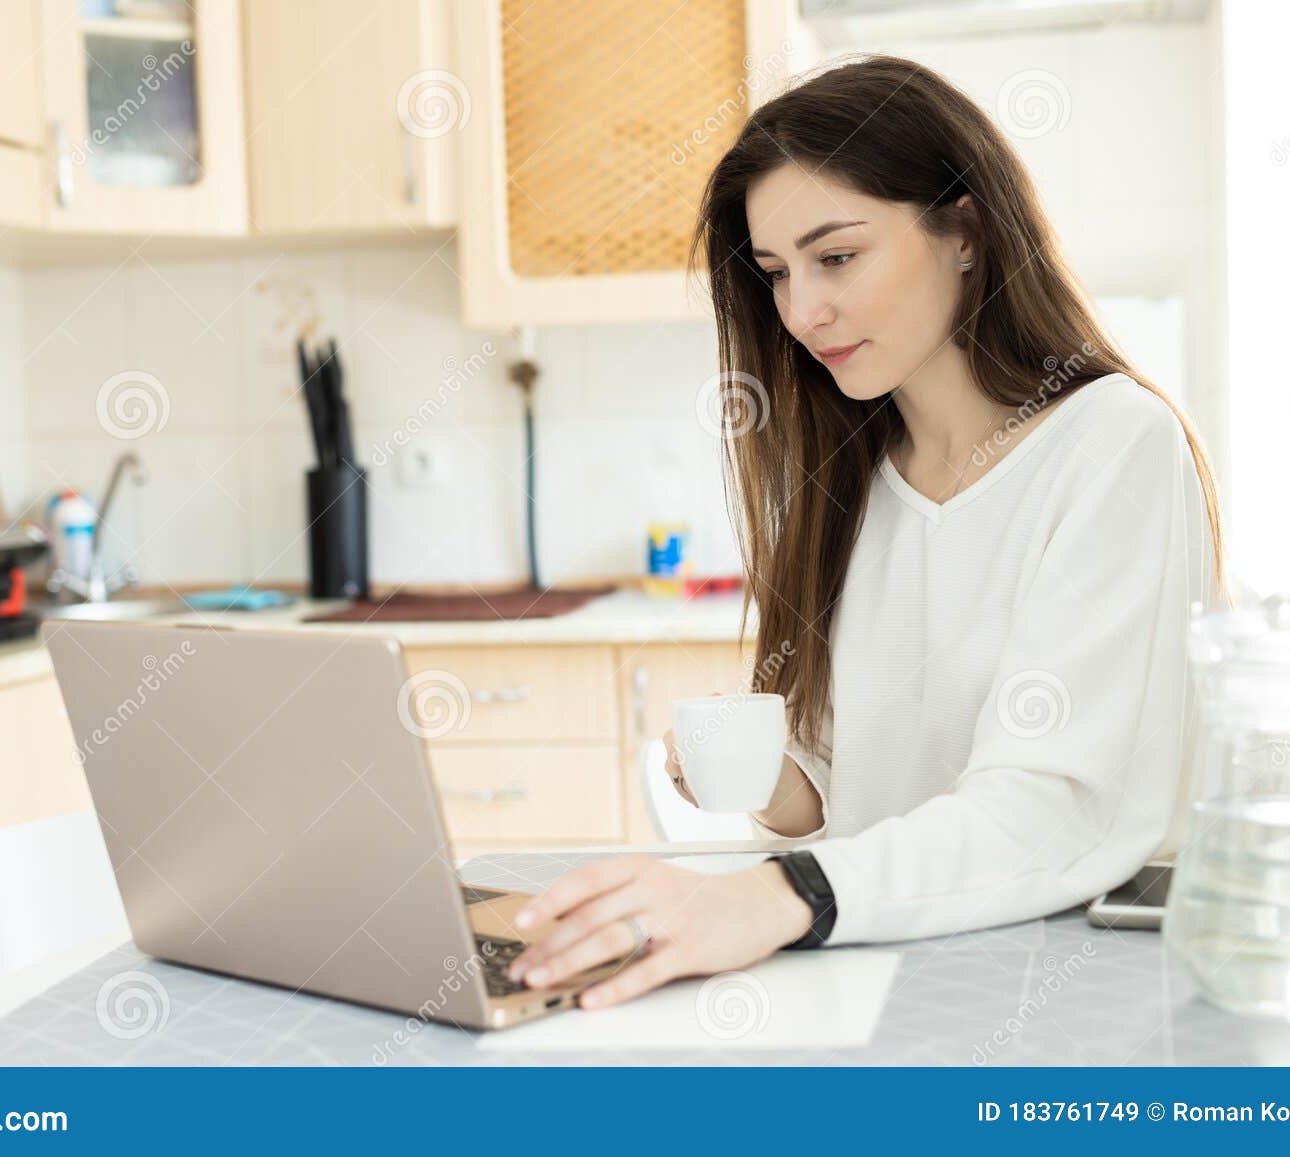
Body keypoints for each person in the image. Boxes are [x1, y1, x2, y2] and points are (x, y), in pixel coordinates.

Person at [506, 53, 1228, 1009]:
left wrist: (773, 897)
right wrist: (769, 769)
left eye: (836, 256)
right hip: (887, 973)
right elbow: (848, 788)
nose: (803, 312)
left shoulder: (1111, 443)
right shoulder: (856, 472)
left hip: (1059, 999)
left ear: (964, 232)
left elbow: (1051, 809)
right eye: (775, 273)